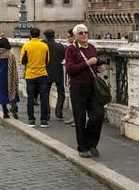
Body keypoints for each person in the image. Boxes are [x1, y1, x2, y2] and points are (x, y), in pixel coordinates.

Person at [65, 24, 105, 158]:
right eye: (81, 33)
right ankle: (82, 147)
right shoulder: (71, 49)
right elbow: (70, 70)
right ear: (75, 36)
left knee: (98, 115)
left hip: (92, 87)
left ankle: (91, 143)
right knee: (80, 118)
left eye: (85, 32)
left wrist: (99, 67)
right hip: (78, 88)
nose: (84, 35)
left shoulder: (92, 48)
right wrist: (87, 63)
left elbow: (94, 65)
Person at [19, 27, 51, 127]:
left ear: (30, 35)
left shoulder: (26, 46)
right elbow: (47, 60)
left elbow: (22, 61)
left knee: (30, 98)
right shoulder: (44, 46)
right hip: (42, 74)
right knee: (44, 98)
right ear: (39, 35)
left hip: (30, 75)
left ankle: (31, 120)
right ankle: (44, 120)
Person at [43, 29, 67, 122]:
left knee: (45, 94)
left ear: (45, 36)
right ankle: (59, 111)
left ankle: (47, 114)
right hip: (58, 72)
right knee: (61, 93)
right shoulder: (60, 46)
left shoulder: (44, 47)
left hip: (47, 72)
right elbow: (64, 57)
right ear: (54, 35)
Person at [0, 37, 20, 119]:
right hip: (10, 75)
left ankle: (5, 112)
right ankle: (13, 106)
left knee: (2, 93)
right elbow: (13, 66)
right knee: (12, 89)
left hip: (0, 75)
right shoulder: (10, 54)